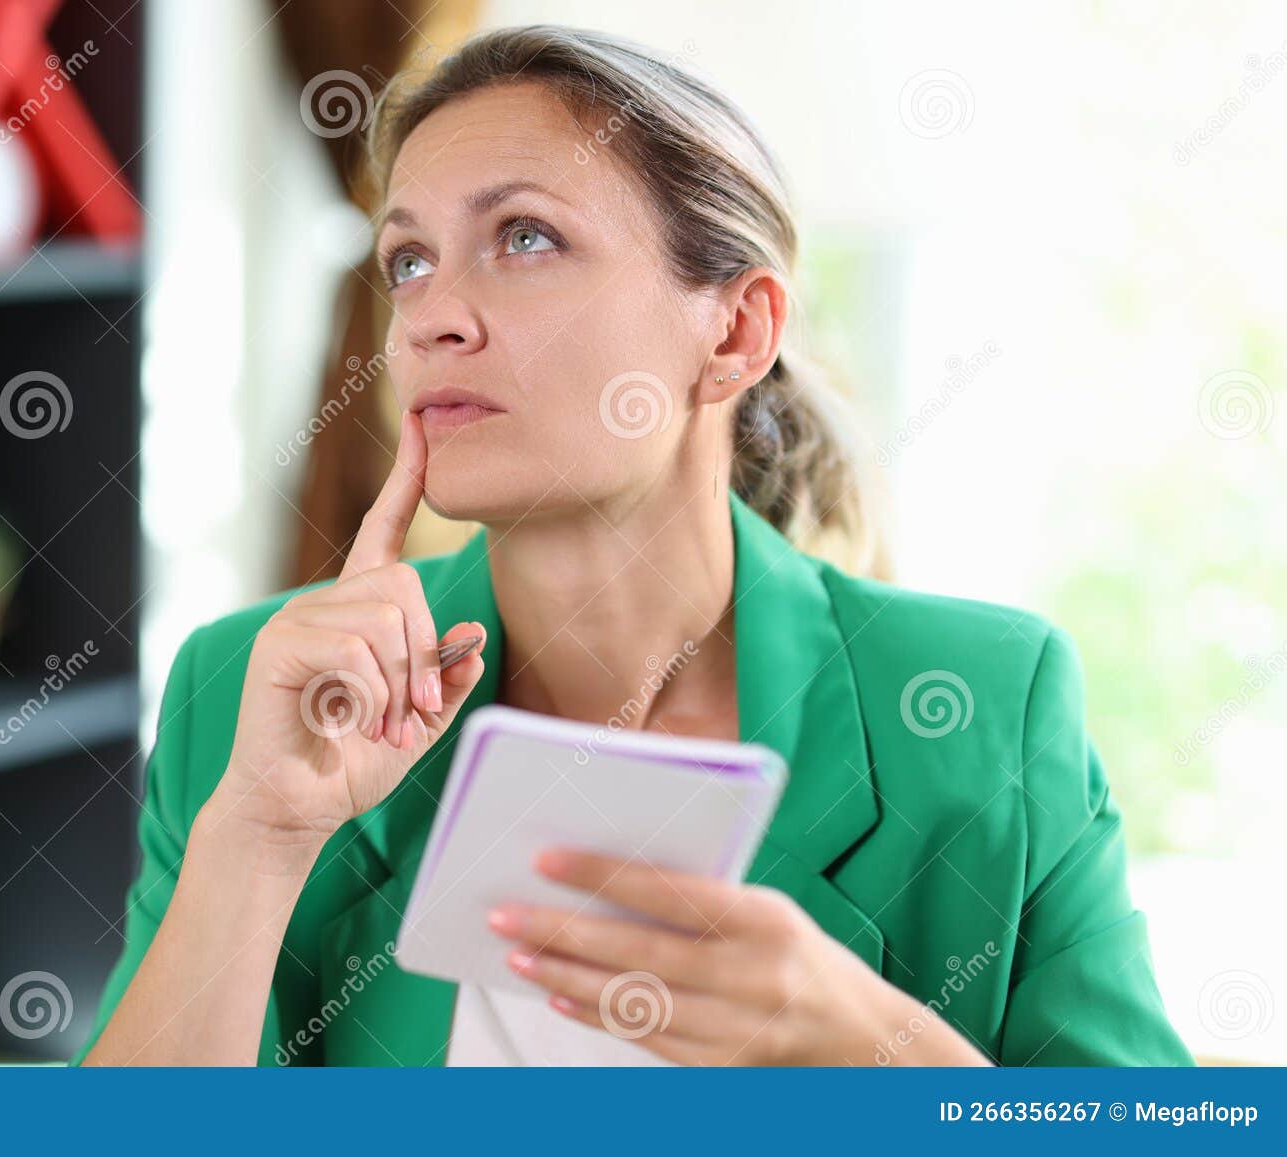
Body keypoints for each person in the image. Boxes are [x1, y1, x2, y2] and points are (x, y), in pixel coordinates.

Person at [72, 24, 1192, 1067]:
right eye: (408, 259)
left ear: (735, 330)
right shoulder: (247, 688)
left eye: (523, 238)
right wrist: (260, 838)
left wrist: (871, 1044)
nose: (427, 317)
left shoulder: (983, 701)